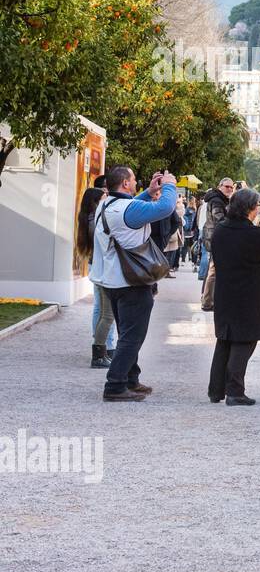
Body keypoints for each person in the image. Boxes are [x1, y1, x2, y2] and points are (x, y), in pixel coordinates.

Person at [90, 166, 178, 401]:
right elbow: (166, 207)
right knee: (133, 336)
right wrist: (169, 184)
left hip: (113, 281)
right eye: (134, 180)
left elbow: (130, 208)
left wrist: (148, 192)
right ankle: (115, 385)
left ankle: (131, 378)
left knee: (126, 332)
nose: (136, 182)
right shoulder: (126, 210)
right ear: (126, 184)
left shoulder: (106, 204)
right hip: (132, 282)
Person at [207, 188, 260, 405]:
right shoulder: (254, 235)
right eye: (256, 207)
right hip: (249, 297)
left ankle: (216, 390)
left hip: (226, 293)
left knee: (225, 340)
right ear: (250, 209)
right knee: (244, 341)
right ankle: (235, 392)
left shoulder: (221, 230)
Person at [76, 184, 116, 368]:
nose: (107, 198)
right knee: (106, 312)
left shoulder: (89, 217)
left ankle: (103, 347)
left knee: (102, 310)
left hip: (97, 266)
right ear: (95, 201)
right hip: (103, 268)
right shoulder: (96, 219)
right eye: (103, 197)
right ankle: (103, 349)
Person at [198, 177, 235, 303]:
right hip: (216, 237)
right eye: (227, 186)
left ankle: (206, 297)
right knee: (213, 271)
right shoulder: (217, 200)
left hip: (214, 236)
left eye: (231, 187)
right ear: (220, 186)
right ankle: (207, 301)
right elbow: (220, 218)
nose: (229, 189)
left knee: (212, 269)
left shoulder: (220, 199)